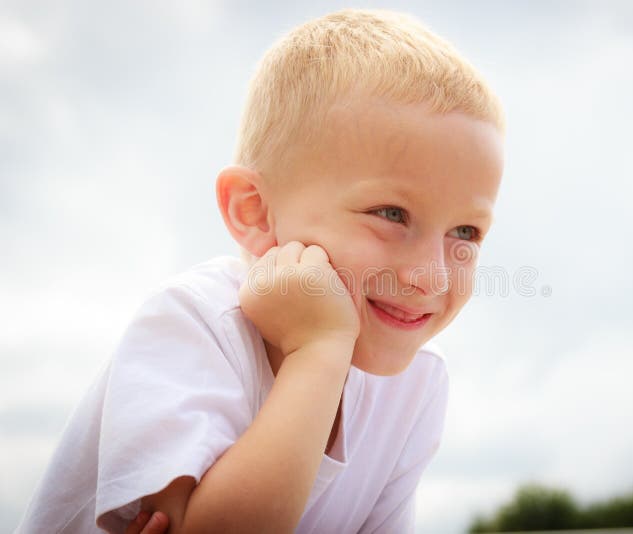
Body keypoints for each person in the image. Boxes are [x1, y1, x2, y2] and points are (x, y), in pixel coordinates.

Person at [16, 8, 505, 533]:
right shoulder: (192, 324)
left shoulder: (418, 382)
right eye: (391, 214)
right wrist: (317, 351)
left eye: (465, 232)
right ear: (254, 211)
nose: (433, 277)